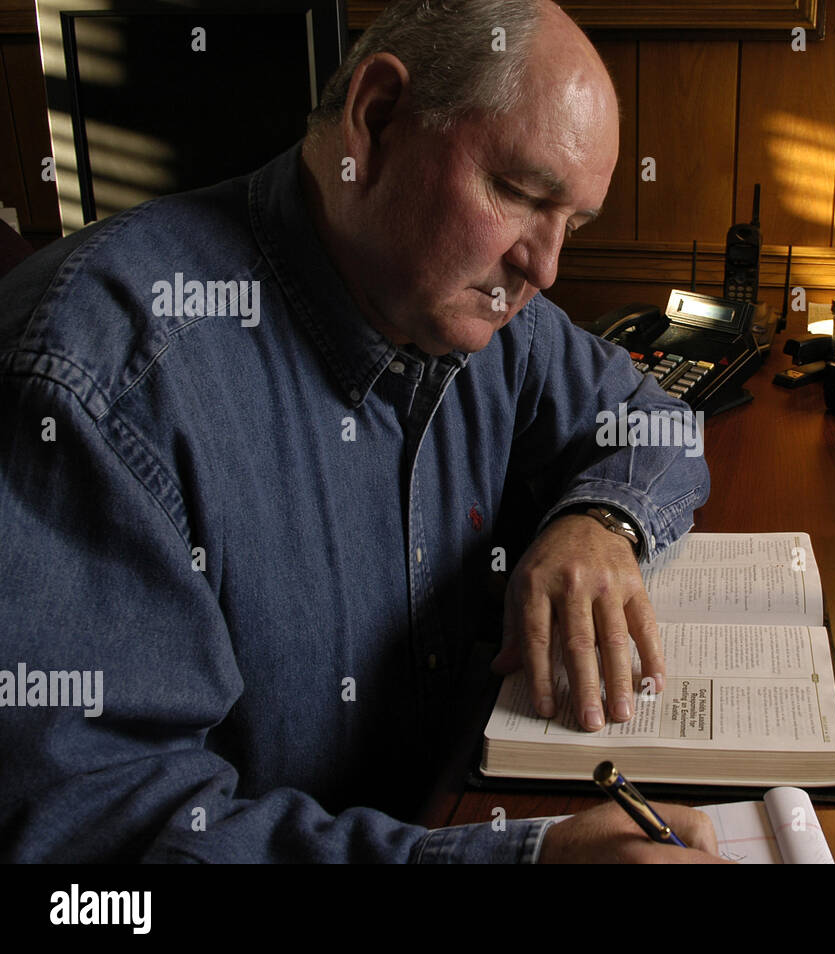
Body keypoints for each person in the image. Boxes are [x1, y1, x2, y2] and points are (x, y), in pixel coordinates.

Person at [0, 0, 722, 863]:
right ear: (377, 121)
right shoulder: (101, 380)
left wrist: (603, 523)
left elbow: (661, 423)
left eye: (574, 223)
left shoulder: (488, 314)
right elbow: (96, 843)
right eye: (522, 194)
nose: (547, 266)